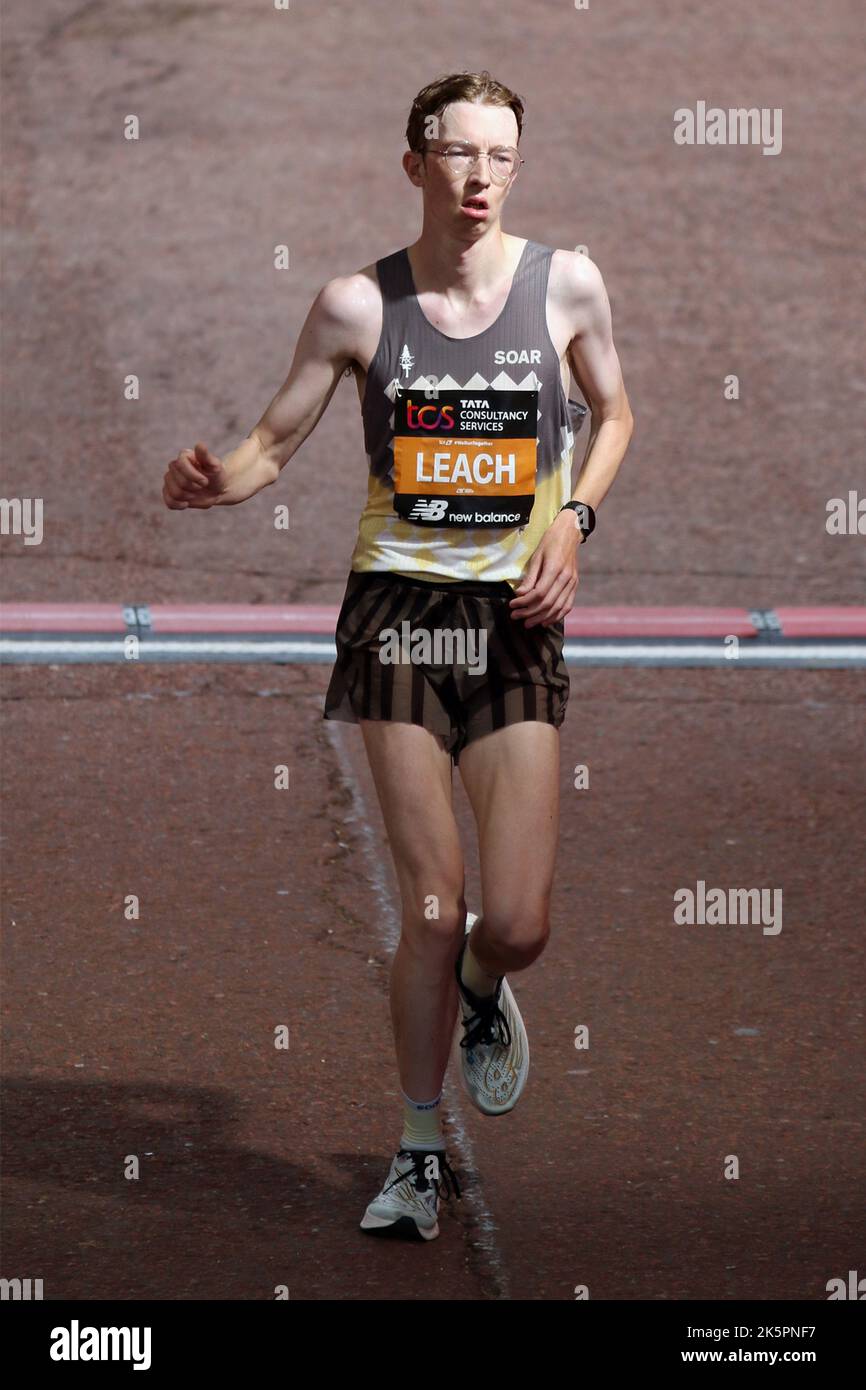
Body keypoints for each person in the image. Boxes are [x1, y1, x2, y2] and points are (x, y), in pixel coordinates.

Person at [162, 70, 634, 1243]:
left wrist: (571, 523)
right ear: (412, 161)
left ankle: (483, 989)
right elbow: (275, 437)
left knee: (515, 920)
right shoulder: (356, 307)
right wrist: (221, 479)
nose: (480, 178)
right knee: (434, 902)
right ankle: (418, 1151)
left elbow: (615, 412)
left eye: (501, 157)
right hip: (397, 620)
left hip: (515, 622)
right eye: (458, 154)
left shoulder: (564, 284)